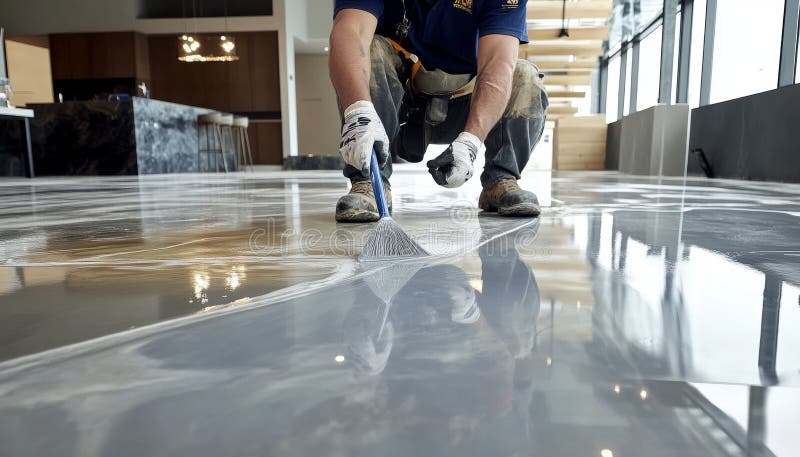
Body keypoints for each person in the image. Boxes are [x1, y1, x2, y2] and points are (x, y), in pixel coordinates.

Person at [330, 0, 549, 222]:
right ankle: (369, 182)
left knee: (524, 75)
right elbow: (352, 31)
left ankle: (501, 178)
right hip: (397, 106)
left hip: (469, 109)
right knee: (370, 49)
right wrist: (359, 111)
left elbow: (497, 62)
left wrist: (471, 142)